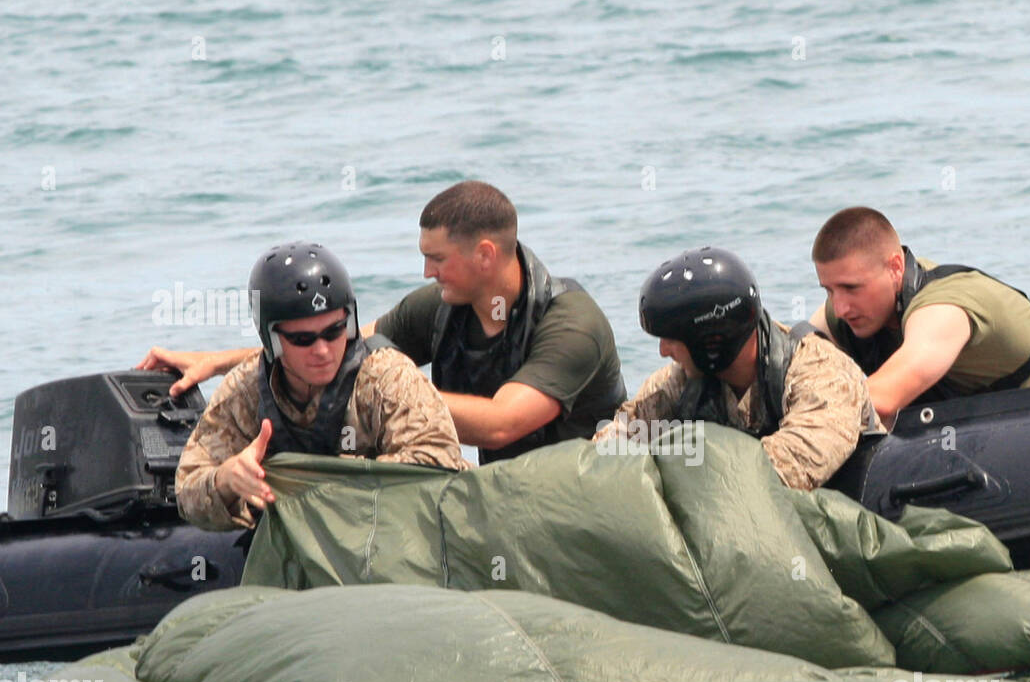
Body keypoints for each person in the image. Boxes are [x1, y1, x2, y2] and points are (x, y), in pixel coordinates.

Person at [140, 181, 627, 463]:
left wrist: (391, 395)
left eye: (437, 259)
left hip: (582, 495)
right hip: (507, 493)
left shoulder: (571, 323)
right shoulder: (441, 308)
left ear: (485, 255)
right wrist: (219, 361)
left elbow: (502, 426)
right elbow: (340, 347)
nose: (427, 273)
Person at [176, 241, 468, 532]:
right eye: (303, 340)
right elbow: (187, 489)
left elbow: (439, 462)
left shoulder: (387, 378)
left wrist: (317, 484)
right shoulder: (246, 389)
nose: (323, 351)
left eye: (334, 331)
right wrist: (227, 479)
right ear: (272, 340)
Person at [593, 246, 881, 491]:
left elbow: (787, 471)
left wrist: (677, 475)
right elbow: (616, 440)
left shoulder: (822, 374)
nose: (663, 351)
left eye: (673, 340)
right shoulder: (680, 382)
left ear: (712, 339)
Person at [810, 207, 1030, 427]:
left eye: (851, 288)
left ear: (895, 267)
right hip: (989, 431)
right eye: (830, 290)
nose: (841, 307)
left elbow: (882, 397)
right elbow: (792, 356)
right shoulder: (845, 311)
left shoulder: (943, 309)